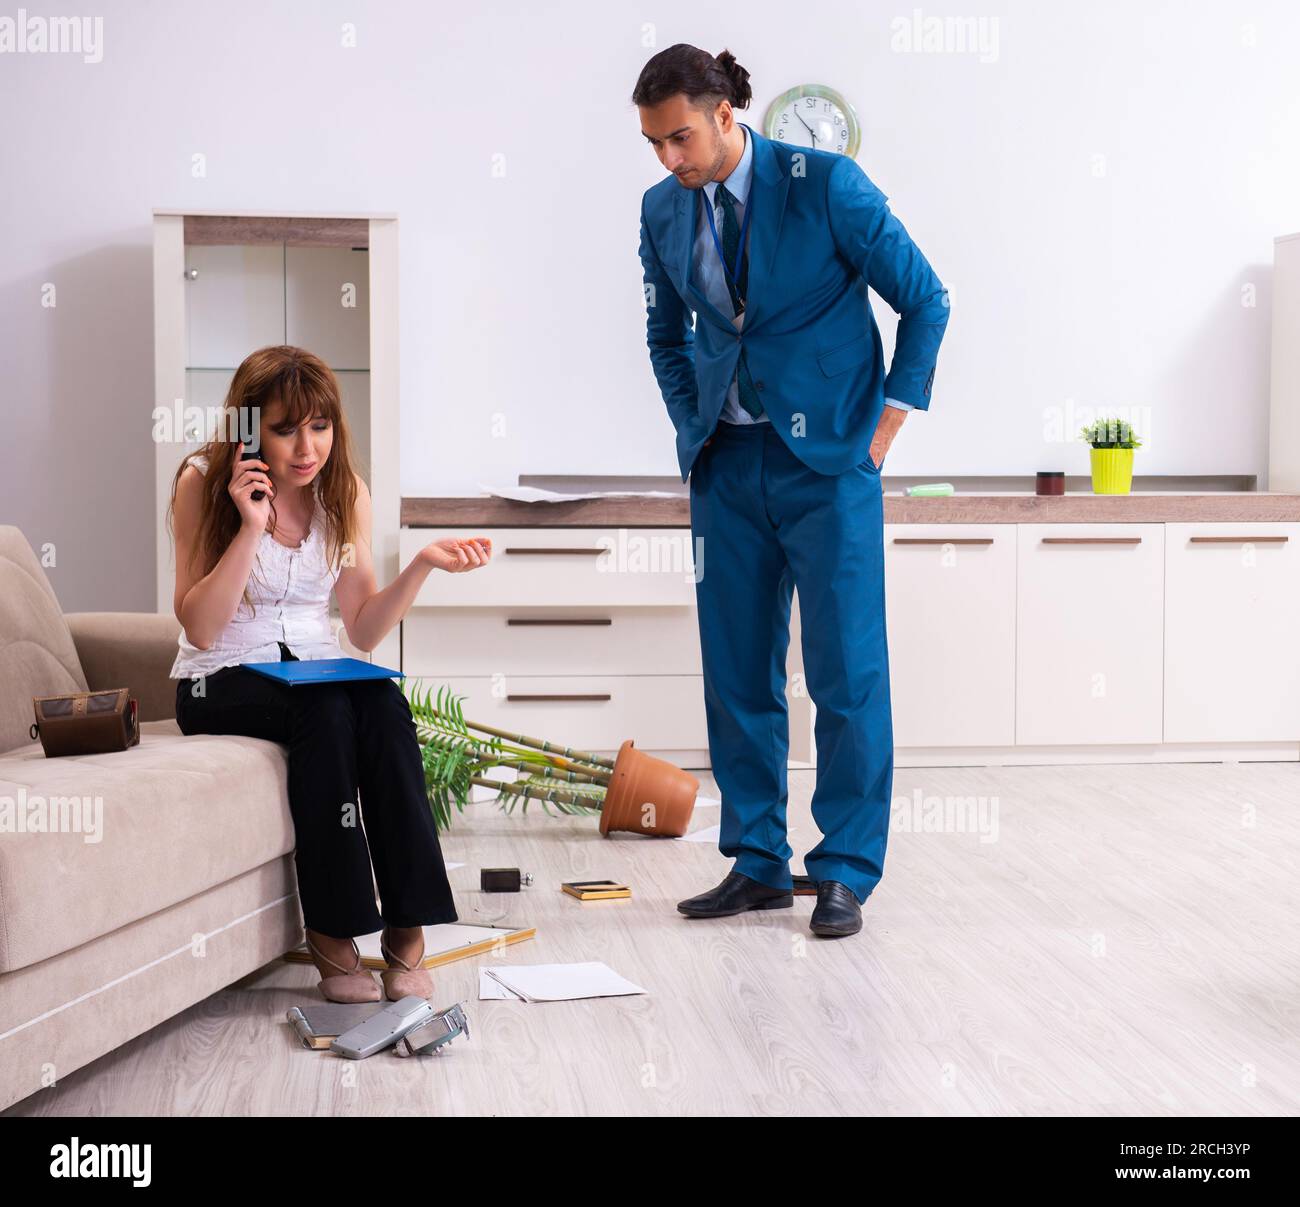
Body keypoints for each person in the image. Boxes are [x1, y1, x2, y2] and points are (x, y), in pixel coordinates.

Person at [633, 46, 950, 936]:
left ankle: (845, 867)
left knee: (846, 672)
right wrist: (691, 424)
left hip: (831, 467)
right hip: (726, 467)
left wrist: (881, 436)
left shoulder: (827, 184)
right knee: (738, 671)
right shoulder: (662, 210)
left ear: (727, 112)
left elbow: (926, 300)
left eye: (680, 137)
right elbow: (664, 333)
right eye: (654, 143)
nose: (669, 159)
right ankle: (758, 862)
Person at [166, 345, 493, 1000]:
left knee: (382, 702)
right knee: (324, 708)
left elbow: (364, 626)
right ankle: (334, 933)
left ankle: (408, 925)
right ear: (250, 430)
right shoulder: (203, 481)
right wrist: (251, 527)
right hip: (220, 676)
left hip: (315, 670)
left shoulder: (345, 493)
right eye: (285, 428)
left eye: (318, 425)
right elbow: (199, 625)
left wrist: (422, 563)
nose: (306, 445)